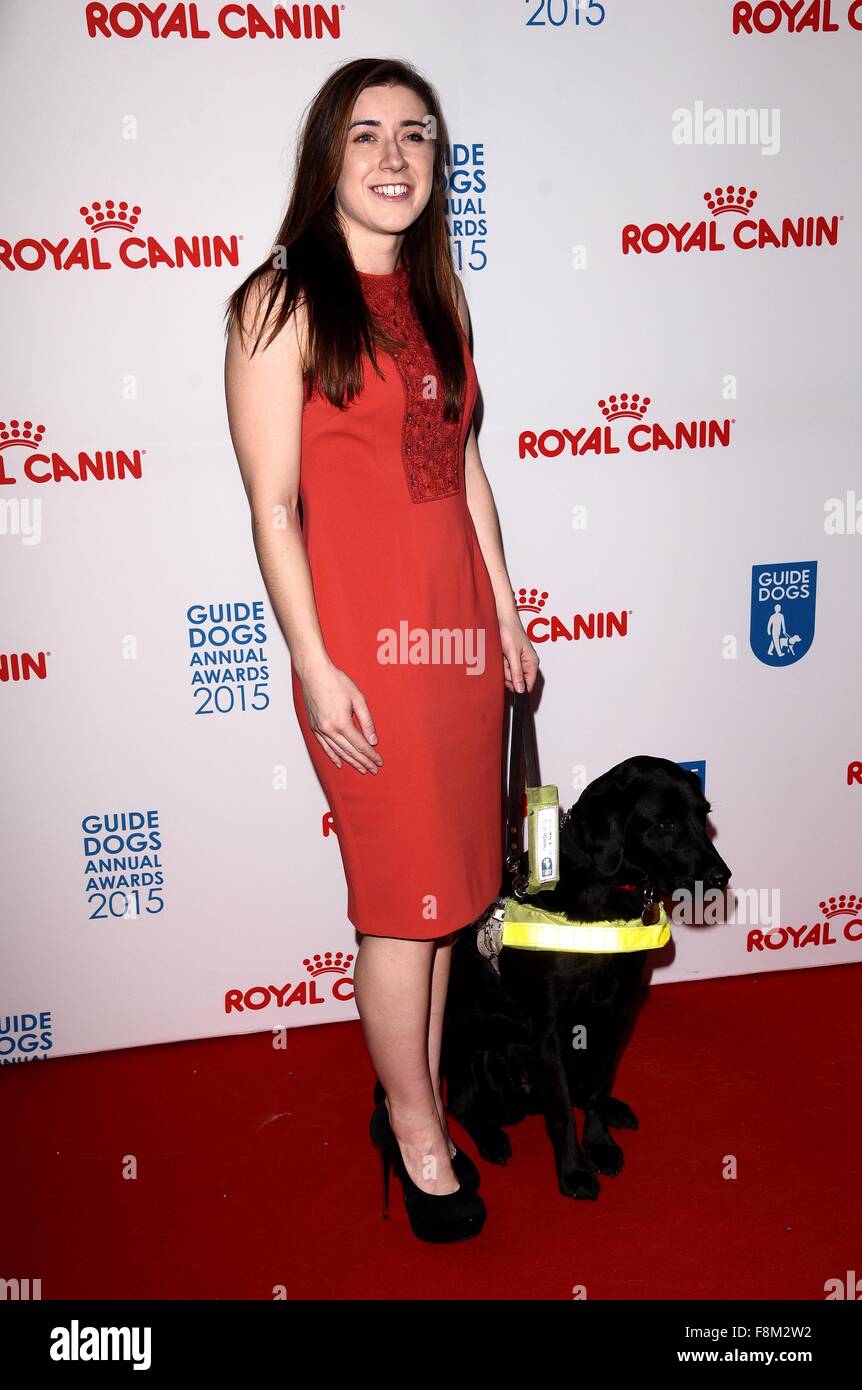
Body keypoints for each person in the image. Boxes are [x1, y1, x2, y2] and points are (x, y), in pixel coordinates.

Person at [223, 57, 538, 1243]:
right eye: (367, 135)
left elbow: (462, 466)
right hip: (362, 652)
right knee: (400, 909)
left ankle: (418, 1090)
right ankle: (413, 1134)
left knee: (452, 899)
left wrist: (504, 610)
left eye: (416, 134)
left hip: (456, 642)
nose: (395, 157)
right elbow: (270, 510)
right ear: (327, 158)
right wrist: (315, 665)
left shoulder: (438, 296)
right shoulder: (278, 301)